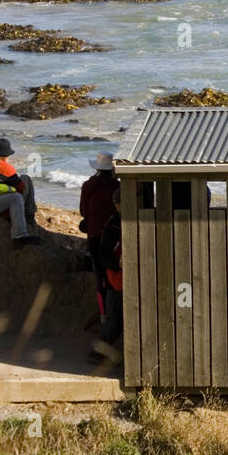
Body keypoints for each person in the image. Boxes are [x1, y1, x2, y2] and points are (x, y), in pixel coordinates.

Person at [89, 187, 125, 365]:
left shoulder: (118, 222)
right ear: (117, 205)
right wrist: (118, 264)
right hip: (115, 278)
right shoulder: (113, 225)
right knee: (116, 319)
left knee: (116, 318)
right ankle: (97, 352)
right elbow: (103, 254)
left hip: (118, 278)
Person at [79, 152, 116, 320]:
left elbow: (83, 211)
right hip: (113, 235)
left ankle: (103, 315)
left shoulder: (88, 185)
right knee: (113, 272)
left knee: (98, 274)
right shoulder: (118, 187)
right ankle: (115, 311)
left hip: (94, 234)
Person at [0, 137, 37, 226]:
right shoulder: (7, 169)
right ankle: (29, 215)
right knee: (25, 178)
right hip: (7, 208)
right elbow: (21, 188)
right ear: (6, 156)